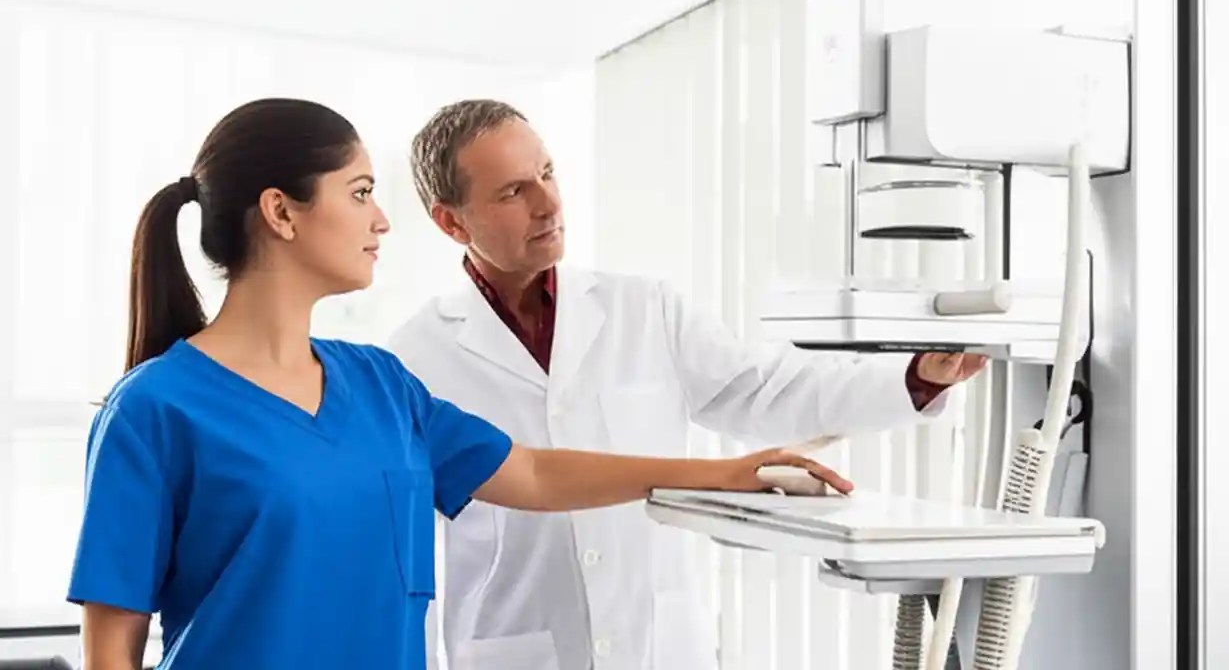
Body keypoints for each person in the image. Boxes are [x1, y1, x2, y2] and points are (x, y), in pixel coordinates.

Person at [63, 98, 855, 670]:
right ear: (282, 212)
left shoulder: (378, 383)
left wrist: (728, 472)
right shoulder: (155, 409)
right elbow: (112, 646)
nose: (381, 222)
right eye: (361, 192)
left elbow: (535, 472)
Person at [388, 99, 990, 670]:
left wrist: (910, 380)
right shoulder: (414, 358)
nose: (549, 204)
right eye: (514, 191)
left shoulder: (643, 308)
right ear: (450, 222)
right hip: (514, 647)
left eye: (548, 173)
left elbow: (764, 387)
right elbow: (398, 550)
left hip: (658, 643)